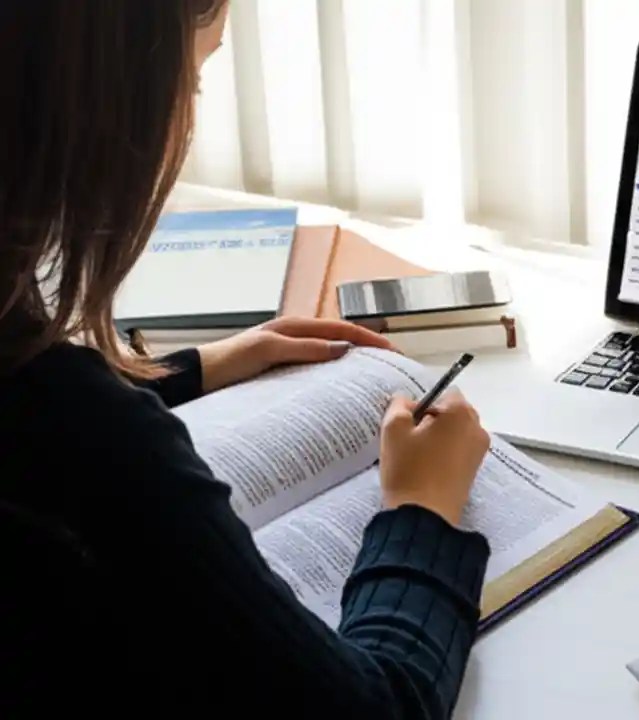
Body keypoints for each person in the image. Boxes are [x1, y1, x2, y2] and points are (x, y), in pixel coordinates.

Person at [0, 2, 492, 716]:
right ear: (108, 102)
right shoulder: (94, 447)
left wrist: (193, 369)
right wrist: (423, 510)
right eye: (194, 79)